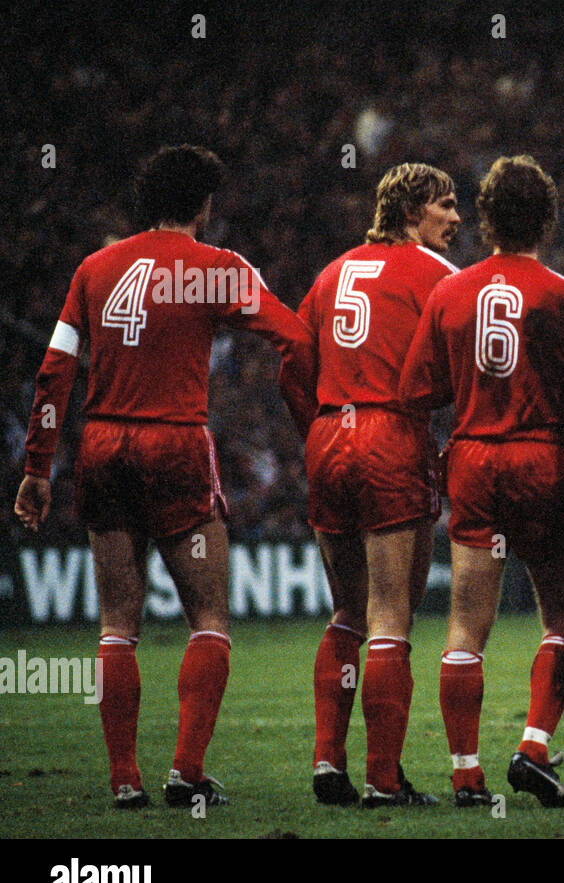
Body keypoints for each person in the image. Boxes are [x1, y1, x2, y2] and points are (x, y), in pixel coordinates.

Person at [13, 144, 315, 809]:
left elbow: (54, 371)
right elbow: (294, 337)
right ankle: (186, 771)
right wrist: (310, 422)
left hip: (103, 445)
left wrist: (38, 466)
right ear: (204, 205)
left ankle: (125, 780)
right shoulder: (216, 269)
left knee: (117, 624)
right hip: (176, 444)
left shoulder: (93, 269)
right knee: (208, 616)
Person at [398, 155, 564, 808]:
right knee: (563, 618)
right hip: (545, 458)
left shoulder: (448, 292)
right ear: (549, 220)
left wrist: (474, 379)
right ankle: (533, 746)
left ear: (484, 219)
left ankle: (464, 774)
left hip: (475, 458)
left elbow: (417, 390)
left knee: (464, 626)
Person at [298, 162, 460, 808]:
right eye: (446, 205)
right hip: (391, 436)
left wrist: (315, 425)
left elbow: (297, 358)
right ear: (412, 209)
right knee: (392, 616)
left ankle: (326, 762)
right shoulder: (436, 275)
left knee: (348, 613)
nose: (456, 218)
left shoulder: (331, 272)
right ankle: (384, 778)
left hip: (328, 432)